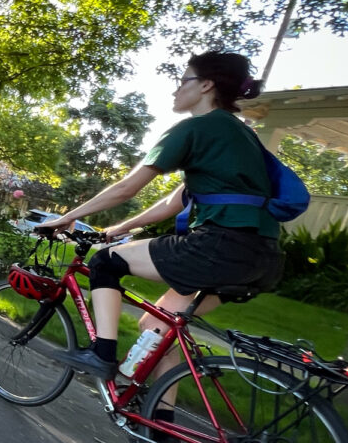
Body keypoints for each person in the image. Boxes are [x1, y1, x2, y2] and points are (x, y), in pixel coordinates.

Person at [37, 51, 284, 385]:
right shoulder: (243, 136)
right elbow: (176, 200)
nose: (175, 90)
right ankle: (161, 426)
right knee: (158, 327)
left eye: (183, 81)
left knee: (104, 263)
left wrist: (68, 217)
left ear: (206, 85)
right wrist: (122, 228)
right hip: (264, 258)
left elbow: (126, 189)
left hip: (217, 247)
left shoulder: (193, 128)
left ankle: (101, 353)